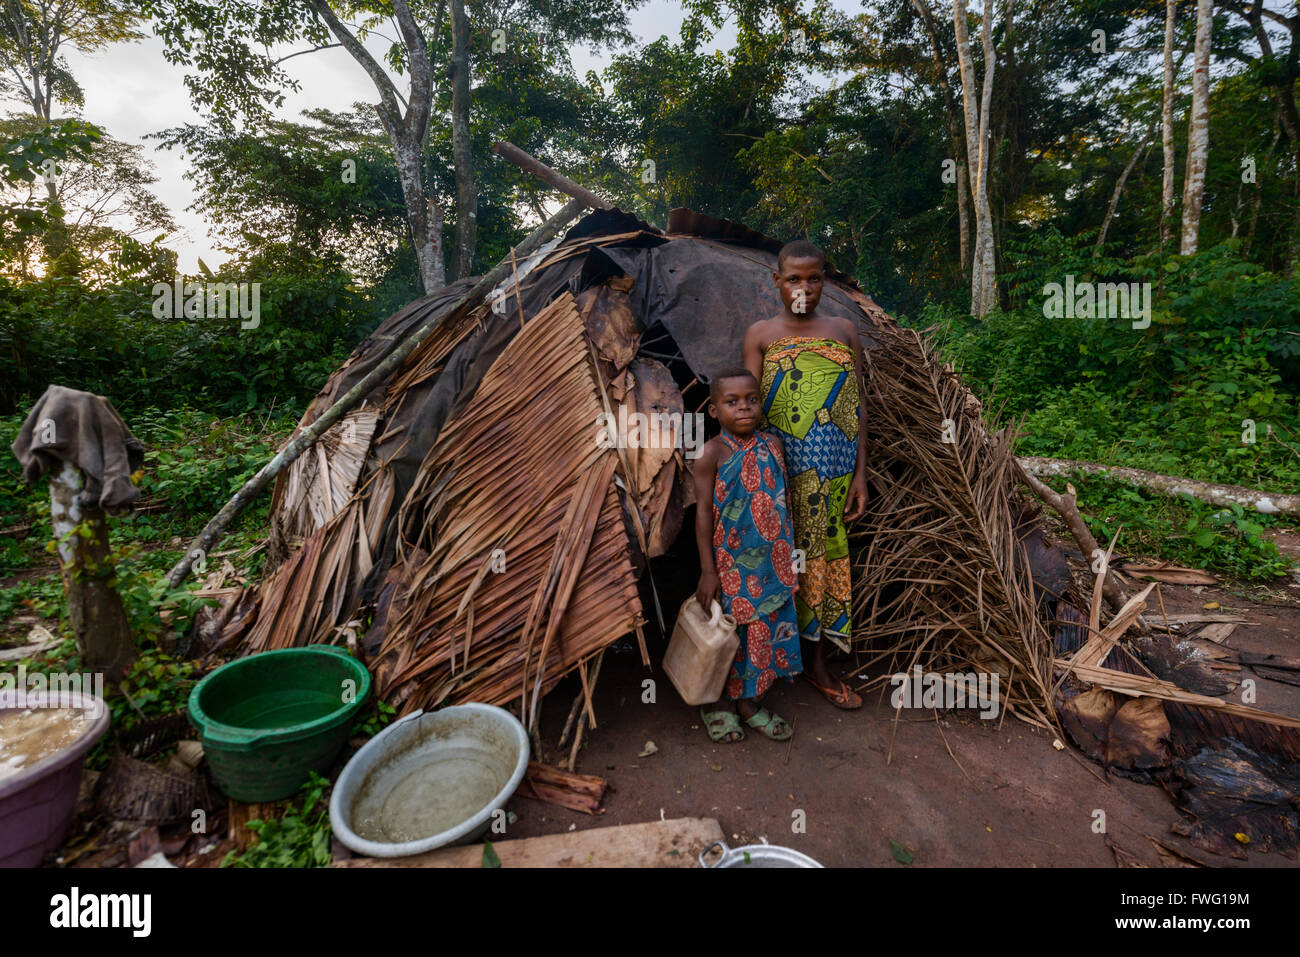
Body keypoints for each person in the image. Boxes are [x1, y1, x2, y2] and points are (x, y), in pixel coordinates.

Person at [742, 239, 869, 710]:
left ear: (824, 281)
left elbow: (857, 407)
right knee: (777, 560)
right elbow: (749, 407)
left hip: (833, 474)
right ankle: (770, 663)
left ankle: (817, 665)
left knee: (823, 562)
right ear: (777, 281)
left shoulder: (843, 330)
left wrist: (860, 474)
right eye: (794, 278)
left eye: (813, 278)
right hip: (779, 474)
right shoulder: (761, 334)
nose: (804, 287)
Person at [692, 367, 803, 743]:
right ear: (713, 410)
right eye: (732, 402)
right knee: (730, 636)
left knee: (765, 632)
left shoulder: (773, 445)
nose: (744, 408)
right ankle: (719, 702)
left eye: (751, 400)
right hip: (732, 567)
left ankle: (750, 702)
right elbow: (703, 514)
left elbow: (780, 499)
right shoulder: (710, 454)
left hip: (774, 561)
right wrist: (709, 571)